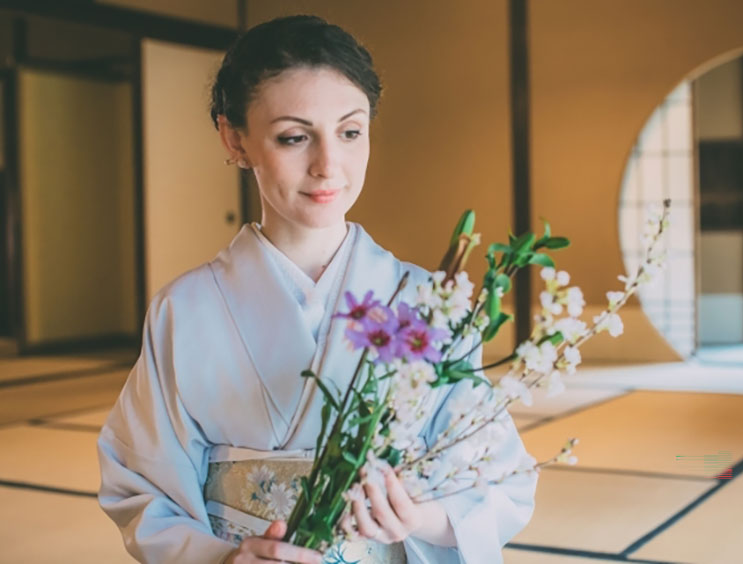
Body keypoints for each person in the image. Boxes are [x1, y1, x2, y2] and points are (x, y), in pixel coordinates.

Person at [97, 15, 536, 564]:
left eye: (350, 132)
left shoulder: (430, 300)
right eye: (294, 137)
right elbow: (142, 482)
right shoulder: (183, 310)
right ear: (235, 138)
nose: (329, 165)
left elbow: (500, 479)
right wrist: (223, 558)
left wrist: (418, 516)